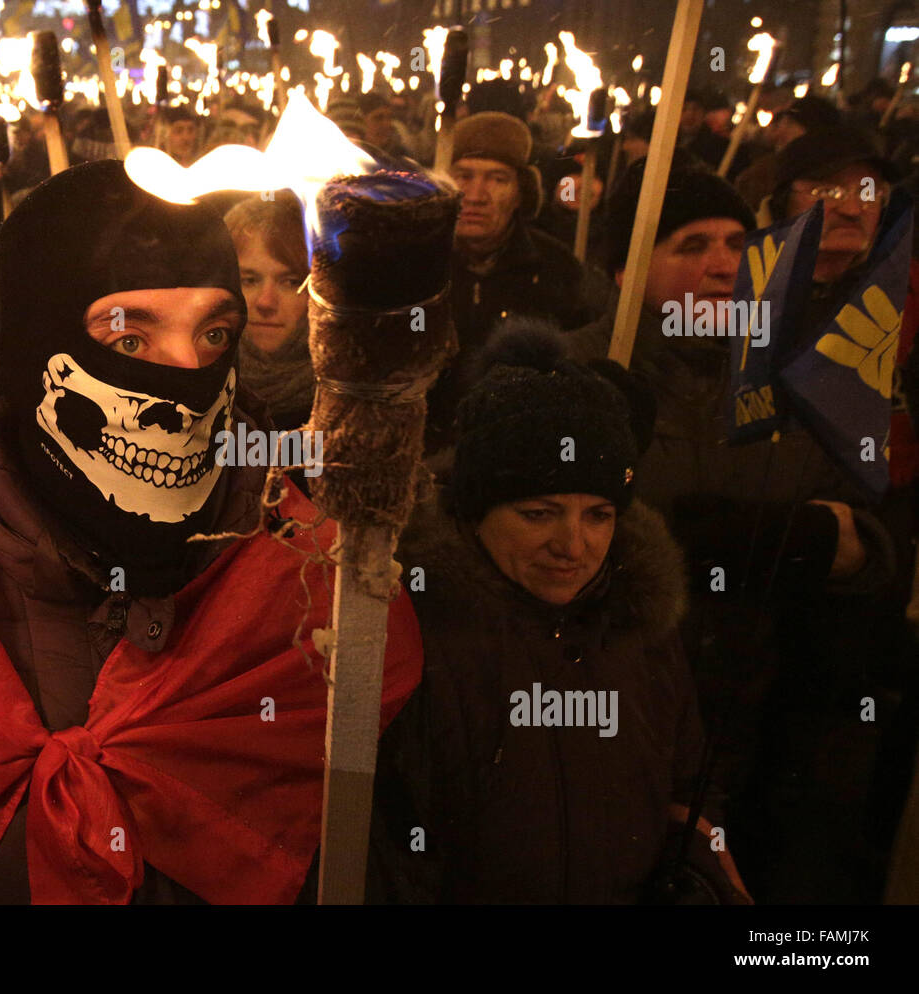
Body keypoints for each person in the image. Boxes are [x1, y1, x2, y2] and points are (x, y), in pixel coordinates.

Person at [0, 160, 422, 905]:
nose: (185, 384)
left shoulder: (312, 592)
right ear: (35, 347)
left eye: (215, 334)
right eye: (129, 342)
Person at [570, 158, 906, 903]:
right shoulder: (573, 374)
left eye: (734, 243)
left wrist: (806, 544)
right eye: (689, 245)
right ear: (626, 271)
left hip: (759, 733)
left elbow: (867, 543)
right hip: (612, 728)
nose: (722, 264)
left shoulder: (792, 380)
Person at [368, 323, 749, 904]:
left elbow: (691, 790)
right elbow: (387, 849)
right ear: (475, 512)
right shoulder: (416, 633)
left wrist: (701, 877)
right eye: (538, 513)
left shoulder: (639, 623)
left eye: (598, 515)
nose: (573, 546)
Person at [426, 111, 611, 451]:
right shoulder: (415, 264)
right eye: (463, 176)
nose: (476, 195)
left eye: (497, 179)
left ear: (520, 193)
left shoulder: (557, 269)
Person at [223, 195, 313, 432]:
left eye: (291, 282)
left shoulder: (353, 398)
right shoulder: (187, 384)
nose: (266, 302)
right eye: (249, 280)